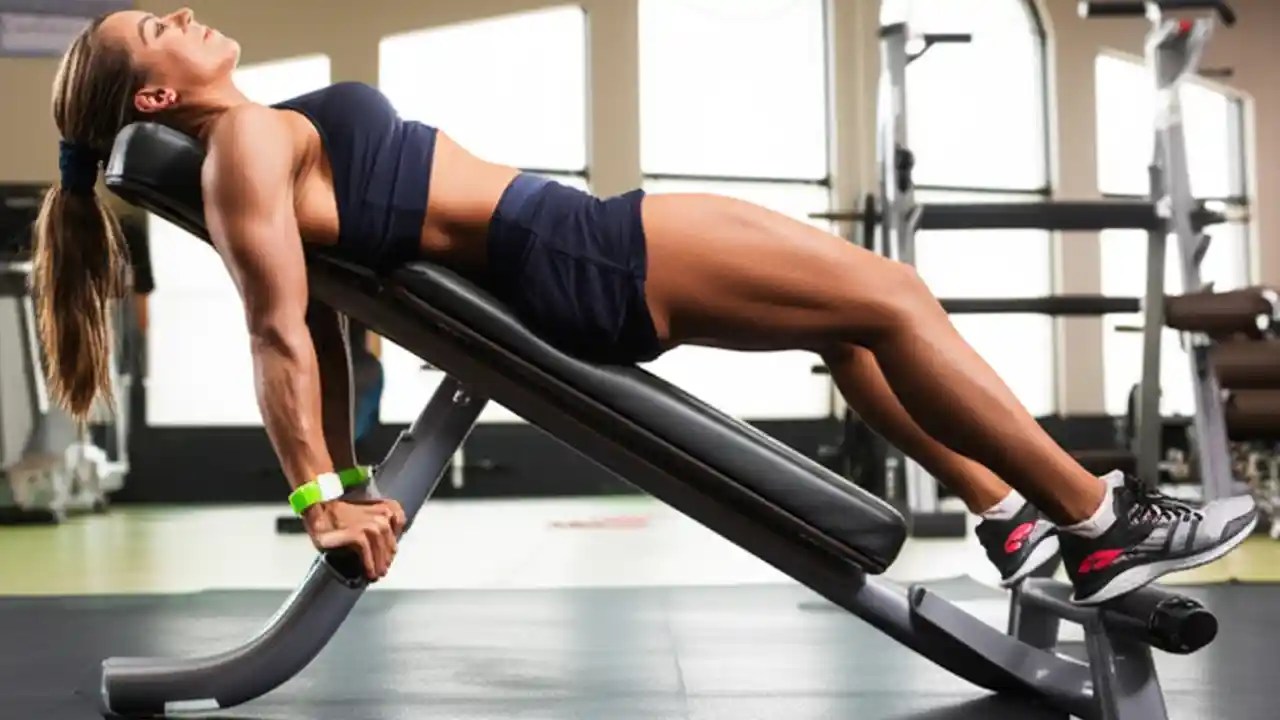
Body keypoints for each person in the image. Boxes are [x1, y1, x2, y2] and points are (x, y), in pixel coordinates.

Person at [32, 8, 1255, 604]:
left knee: (856, 326)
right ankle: (1099, 522)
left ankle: (1006, 519)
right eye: (158, 29)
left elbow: (322, 319)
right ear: (153, 99)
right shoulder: (246, 144)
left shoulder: (257, 142)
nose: (183, 13)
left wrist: (344, 474)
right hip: (577, 250)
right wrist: (319, 498)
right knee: (892, 296)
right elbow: (277, 328)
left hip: (567, 248)